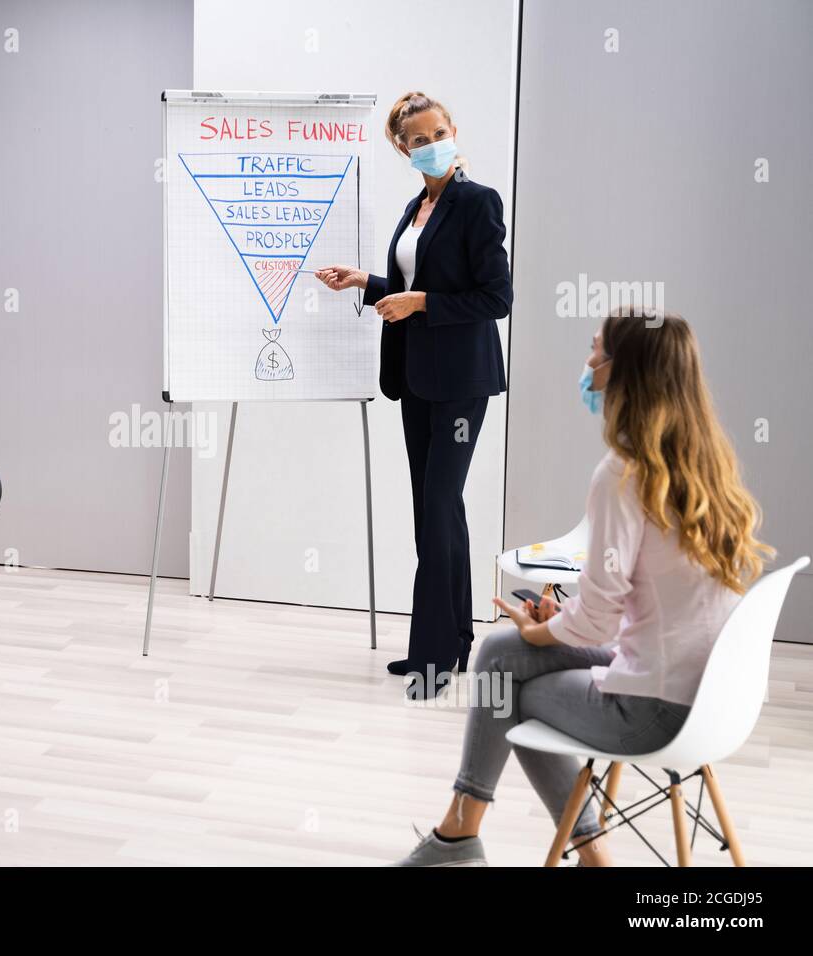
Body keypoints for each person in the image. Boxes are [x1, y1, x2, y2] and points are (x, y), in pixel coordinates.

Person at [393, 306, 773, 866]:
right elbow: (641, 601)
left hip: (657, 709)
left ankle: (500, 840)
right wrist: (552, 625)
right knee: (501, 647)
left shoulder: (623, 474)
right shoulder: (707, 464)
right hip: (713, 695)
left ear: (625, 373)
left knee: (508, 685)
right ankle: (464, 833)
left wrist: (545, 632)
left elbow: (595, 619)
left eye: (596, 350)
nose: (587, 362)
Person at [317, 92, 511, 697]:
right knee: (438, 511)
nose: (431, 144)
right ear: (402, 149)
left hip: (459, 384)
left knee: (438, 506)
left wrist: (420, 302)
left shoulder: (478, 203)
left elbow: (495, 299)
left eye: (438, 132)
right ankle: (451, 643)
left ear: (454, 130)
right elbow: (413, 283)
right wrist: (366, 282)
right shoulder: (415, 207)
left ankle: (430, 658)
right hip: (416, 379)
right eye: (418, 139)